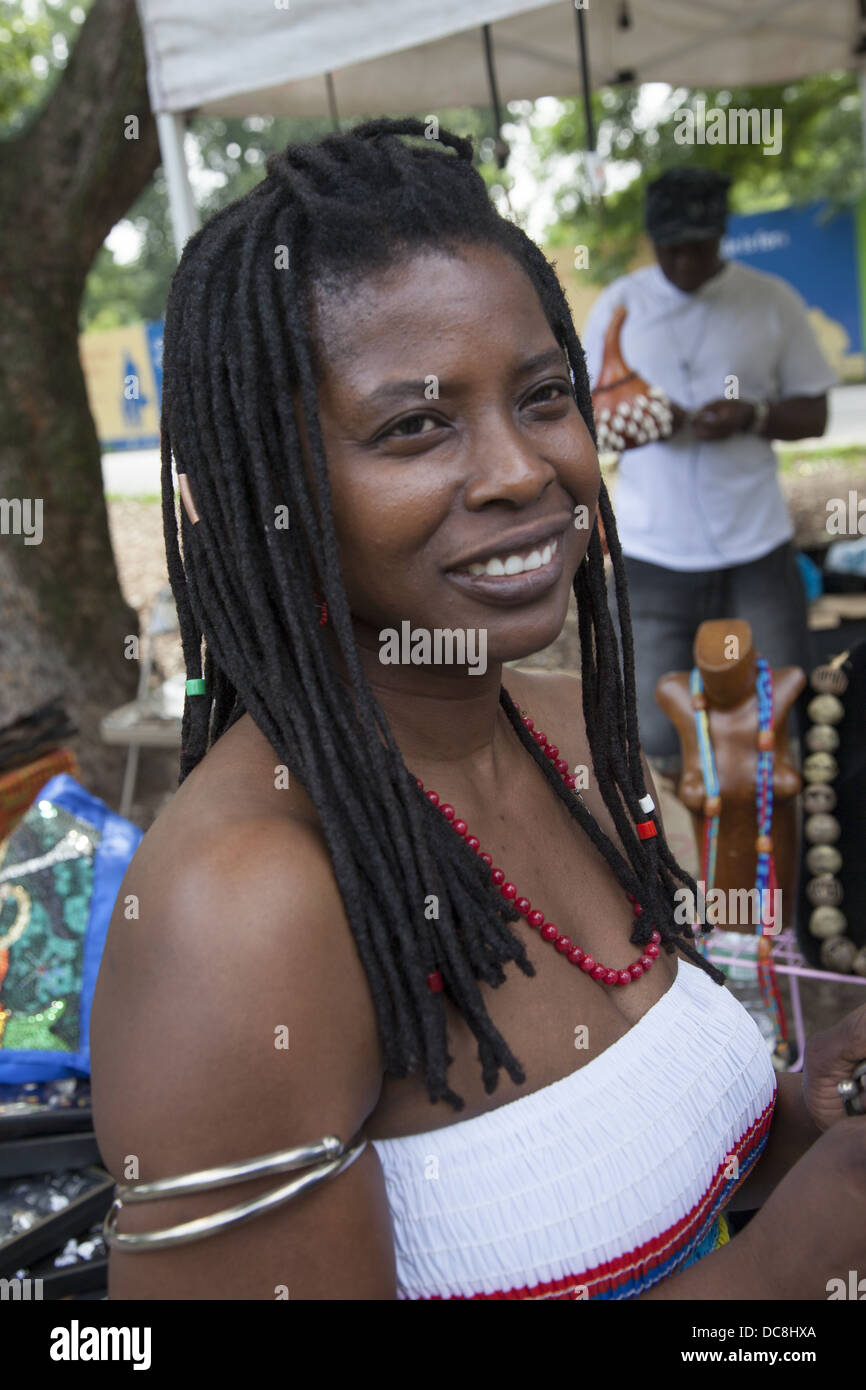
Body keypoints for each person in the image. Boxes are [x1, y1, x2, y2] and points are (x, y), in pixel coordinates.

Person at [89, 121, 866, 1301]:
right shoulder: (241, 910)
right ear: (270, 491)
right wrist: (786, 1279)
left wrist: (811, 1123)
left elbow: (679, 1186)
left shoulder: (580, 743)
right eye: (414, 425)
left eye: (545, 396)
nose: (519, 470)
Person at [580, 167, 838, 773]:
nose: (684, 261)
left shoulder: (769, 301)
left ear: (723, 234)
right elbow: (586, 418)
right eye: (670, 248)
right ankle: (674, 859)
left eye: (698, 245)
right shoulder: (621, 306)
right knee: (651, 733)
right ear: (652, 239)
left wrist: (754, 415)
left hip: (756, 546)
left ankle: (777, 856)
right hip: (652, 553)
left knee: (777, 718)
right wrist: (645, 423)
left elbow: (816, 412)